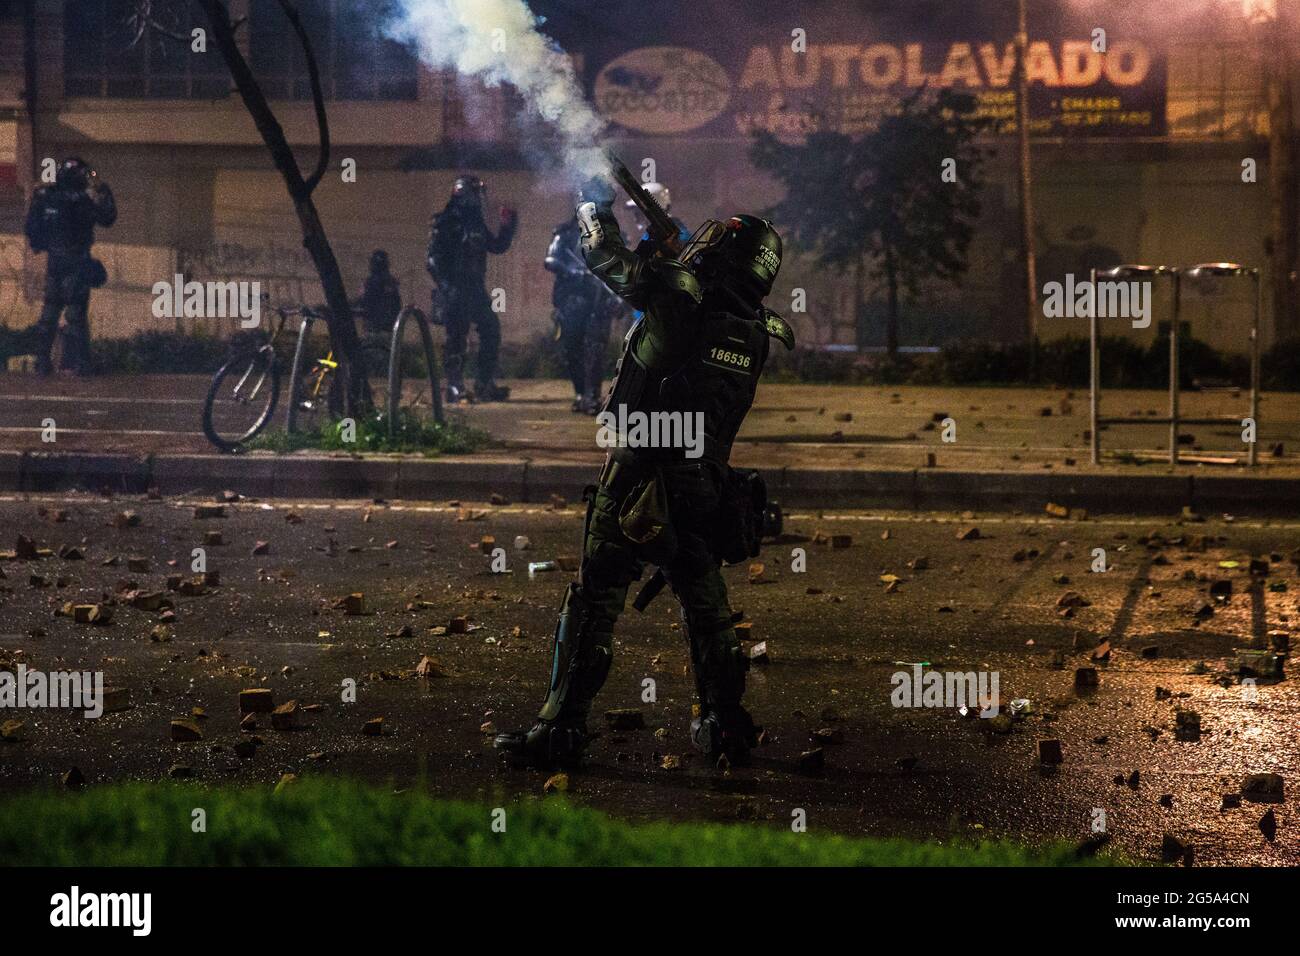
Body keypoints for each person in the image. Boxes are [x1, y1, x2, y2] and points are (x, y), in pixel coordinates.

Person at [495, 192, 795, 771]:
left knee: (595, 600)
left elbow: (607, 258)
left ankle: (560, 730)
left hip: (638, 480)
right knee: (707, 608)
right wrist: (664, 256)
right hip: (704, 485)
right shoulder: (758, 329)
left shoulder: (682, 300)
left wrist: (592, 205)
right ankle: (726, 727)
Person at [426, 174, 517, 403]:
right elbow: (433, 260)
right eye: (475, 194)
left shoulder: (475, 223)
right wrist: (447, 287)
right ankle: (454, 386)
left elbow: (496, 246)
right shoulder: (447, 222)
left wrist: (508, 226)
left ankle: (484, 383)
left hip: (475, 288)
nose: (479, 199)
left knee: (491, 329)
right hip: (454, 290)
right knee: (456, 337)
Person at [24, 157, 117, 376]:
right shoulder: (82, 200)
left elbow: (32, 228)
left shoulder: (47, 197)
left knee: (49, 314)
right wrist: (104, 192)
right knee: (76, 316)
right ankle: (82, 365)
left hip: (55, 262)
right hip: (76, 261)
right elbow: (107, 217)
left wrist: (43, 244)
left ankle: (42, 362)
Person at [544, 210, 625, 415]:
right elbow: (550, 260)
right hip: (573, 302)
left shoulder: (611, 235)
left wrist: (620, 296)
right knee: (573, 350)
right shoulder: (565, 234)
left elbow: (622, 269)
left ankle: (593, 396)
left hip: (599, 303)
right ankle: (580, 393)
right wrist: (573, 271)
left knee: (595, 351)